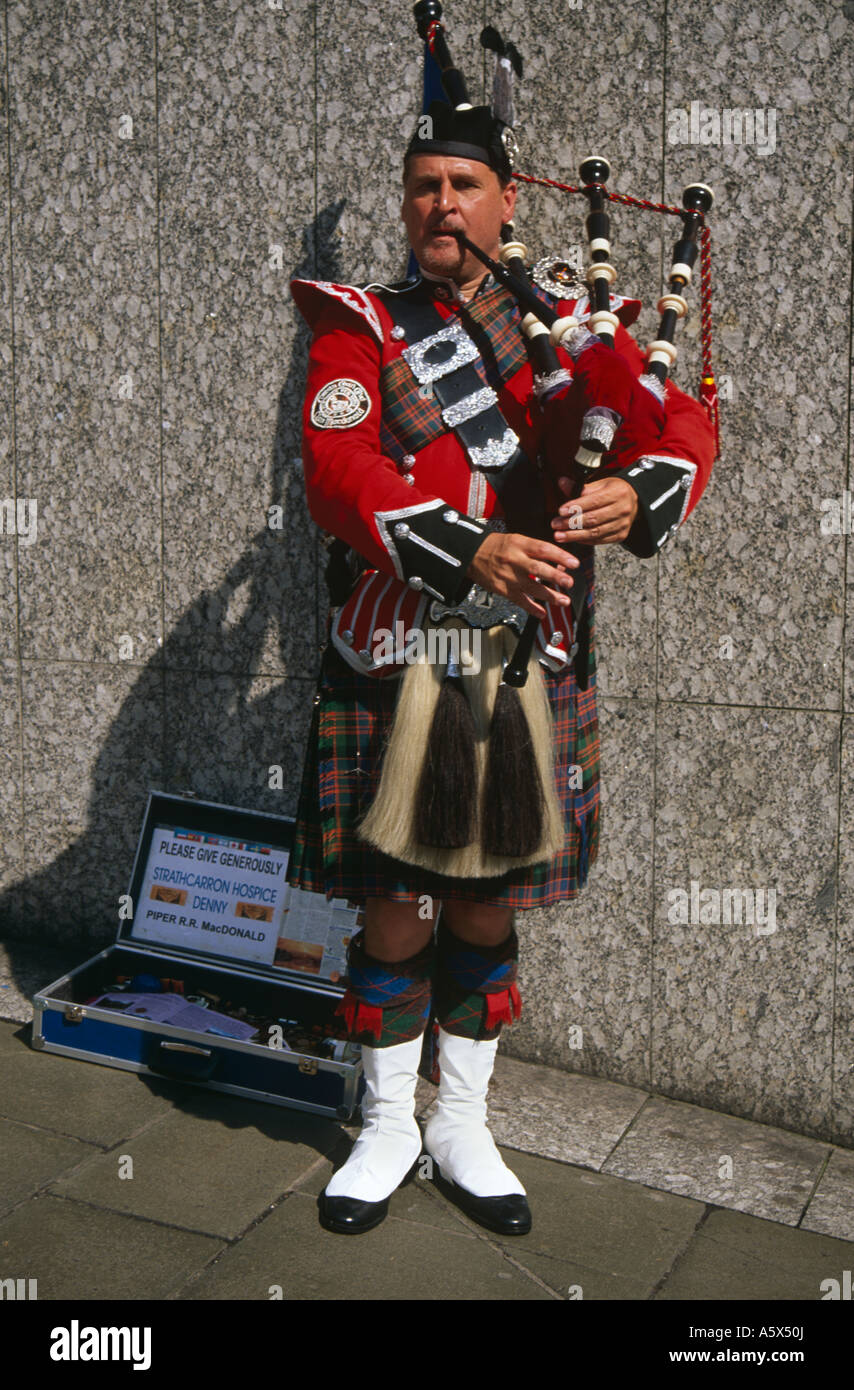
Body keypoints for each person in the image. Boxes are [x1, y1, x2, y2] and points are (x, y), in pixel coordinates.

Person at [287, 99, 715, 1237]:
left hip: (521, 659)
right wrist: (467, 544)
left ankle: (461, 1124)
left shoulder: (581, 321)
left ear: (506, 200)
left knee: (480, 907)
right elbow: (334, 469)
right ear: (405, 201)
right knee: (393, 909)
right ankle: (383, 1126)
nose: (441, 204)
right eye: (422, 185)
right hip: (397, 643)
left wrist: (647, 490)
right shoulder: (361, 325)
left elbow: (680, 422)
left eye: (462, 185)